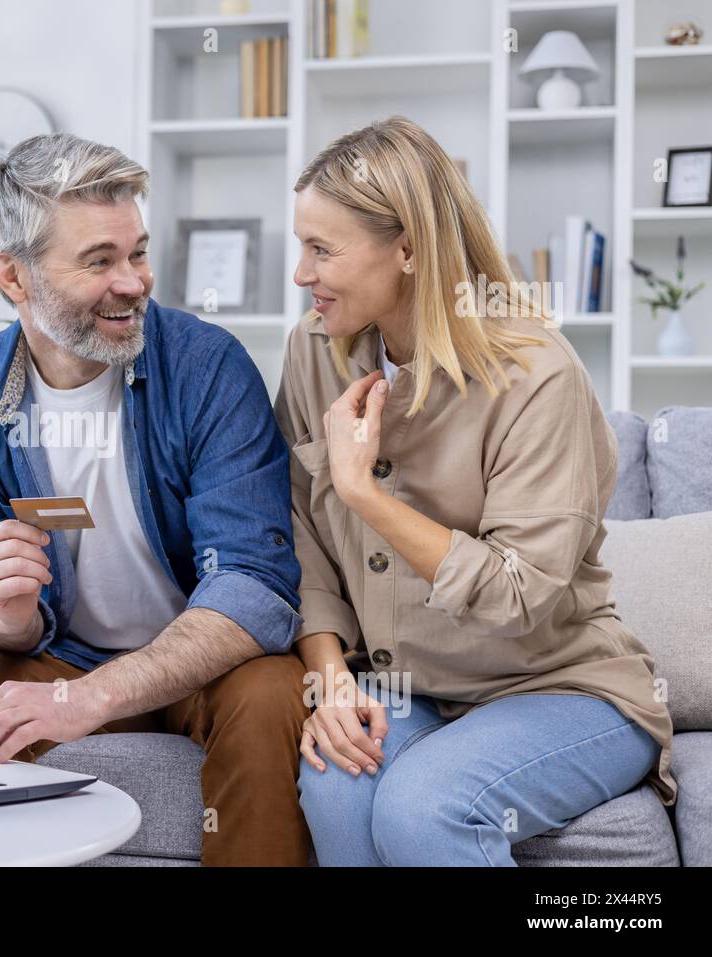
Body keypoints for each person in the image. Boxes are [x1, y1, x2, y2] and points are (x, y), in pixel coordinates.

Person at [277, 115, 676, 866]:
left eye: (321, 250)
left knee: (426, 806)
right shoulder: (312, 350)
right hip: (410, 685)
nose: (302, 274)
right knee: (334, 782)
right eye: (301, 245)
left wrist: (366, 495)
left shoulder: (537, 375)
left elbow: (520, 595)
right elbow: (299, 529)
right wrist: (331, 681)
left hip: (564, 685)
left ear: (408, 249)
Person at [0, 132, 311, 866]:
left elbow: (256, 586)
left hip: (209, 667)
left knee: (270, 692)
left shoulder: (206, 367)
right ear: (13, 274)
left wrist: (92, 699)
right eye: (100, 261)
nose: (134, 281)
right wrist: (1, 613)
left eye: (136, 252)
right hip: (64, 653)